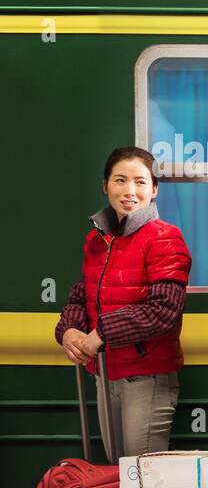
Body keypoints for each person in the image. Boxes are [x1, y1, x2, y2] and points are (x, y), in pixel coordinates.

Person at [55, 146, 192, 460]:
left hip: (146, 379)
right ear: (105, 186)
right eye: (120, 180)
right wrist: (70, 331)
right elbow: (83, 293)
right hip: (105, 375)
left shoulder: (165, 238)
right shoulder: (97, 239)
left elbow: (164, 311)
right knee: (117, 477)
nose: (130, 191)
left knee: (140, 484)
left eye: (141, 182)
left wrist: (101, 334)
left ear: (154, 189)